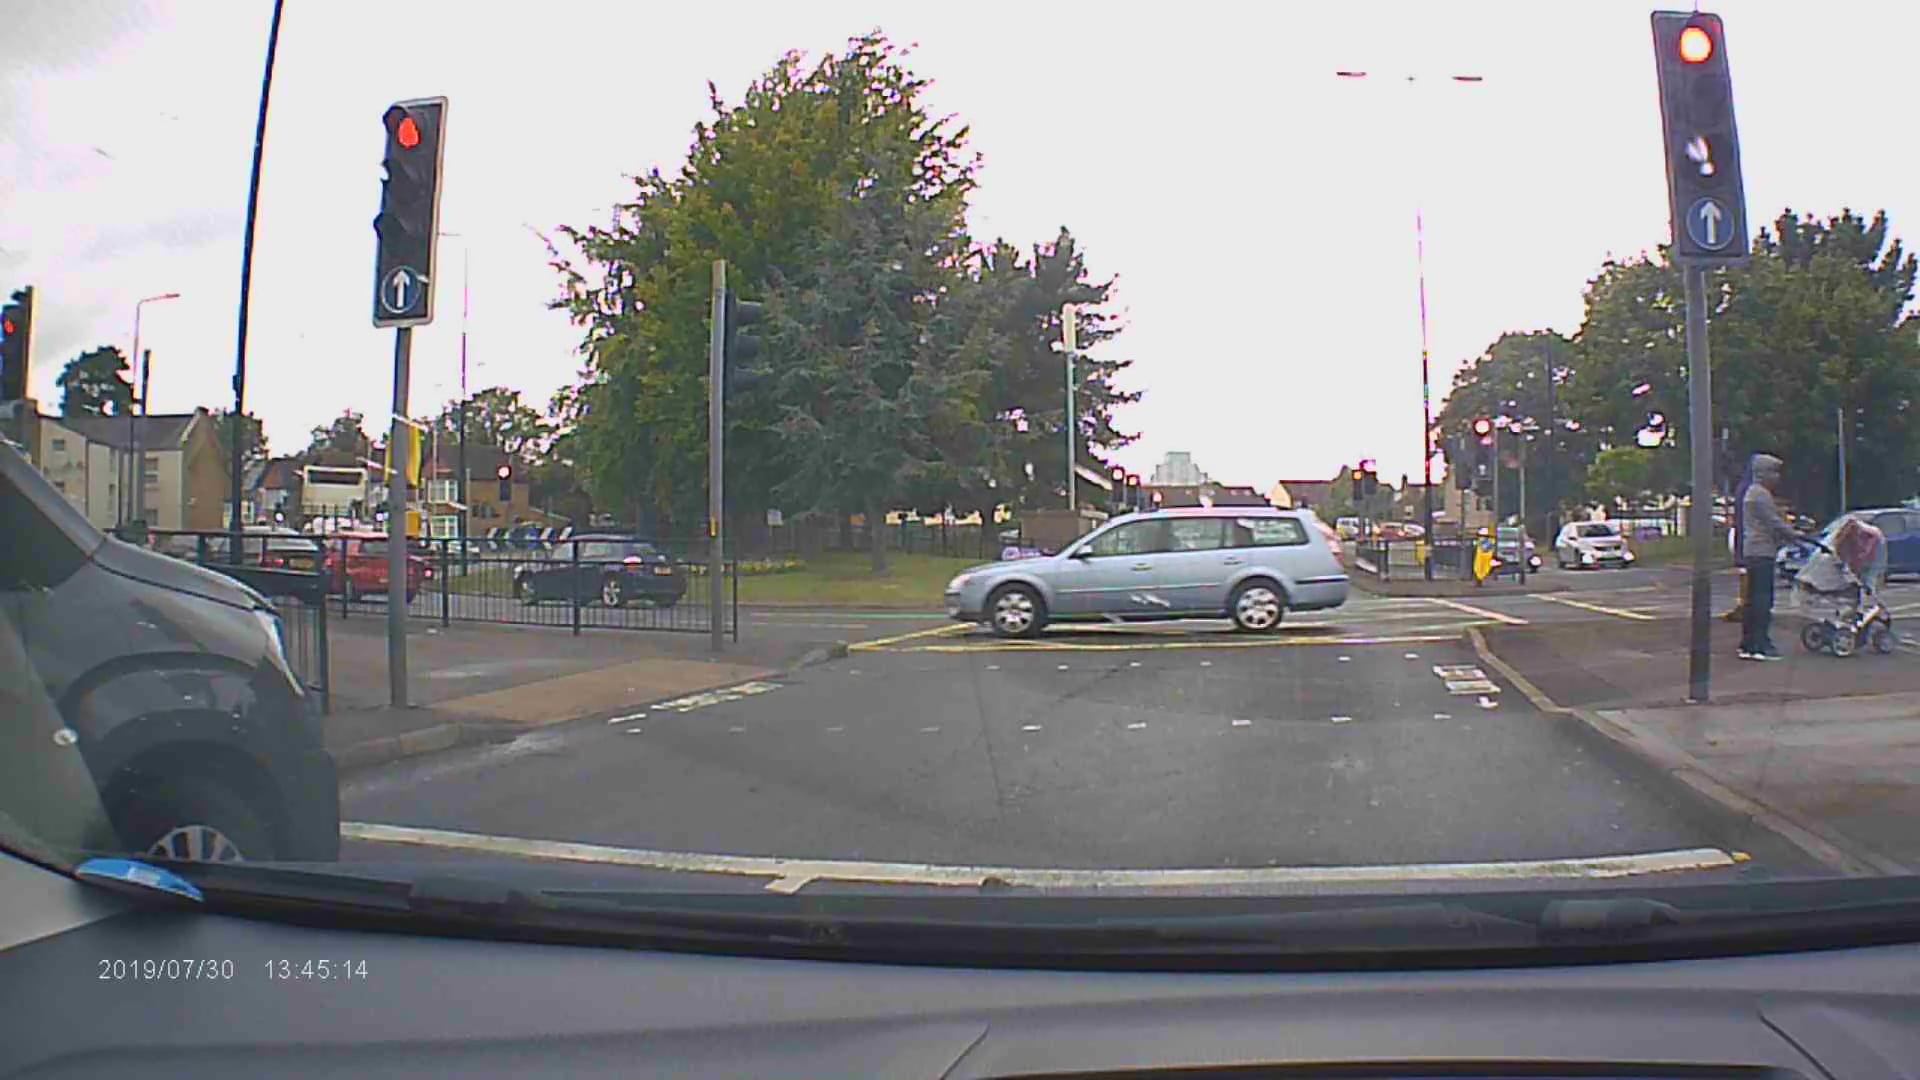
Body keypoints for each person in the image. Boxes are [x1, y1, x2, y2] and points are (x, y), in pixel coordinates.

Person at [1738, 453, 1806, 660]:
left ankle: (1748, 643)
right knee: (1762, 600)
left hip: (1753, 550)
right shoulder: (1760, 494)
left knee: (1753, 600)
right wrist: (1795, 535)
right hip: (1762, 551)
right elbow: (1773, 522)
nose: (1777, 477)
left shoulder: (1753, 492)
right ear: (1762, 473)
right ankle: (1760, 644)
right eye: (1774, 472)